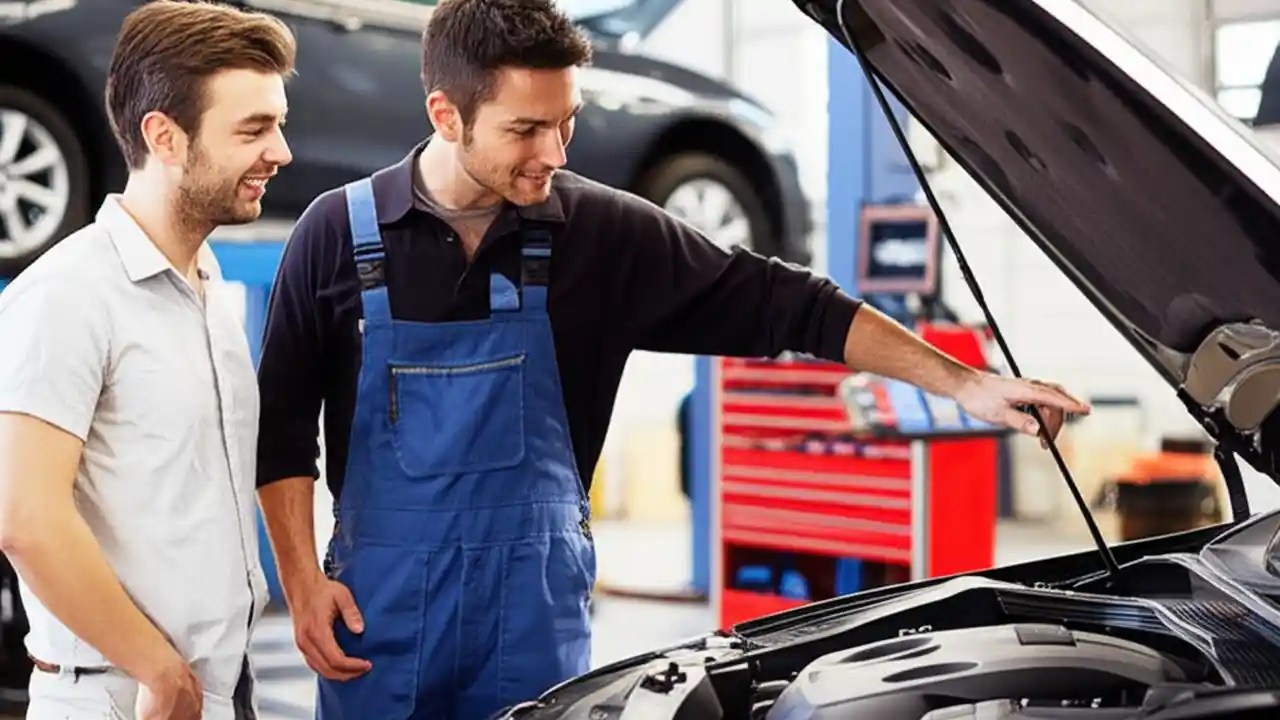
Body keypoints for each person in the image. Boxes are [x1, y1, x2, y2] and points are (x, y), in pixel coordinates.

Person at [253, 0, 1090, 718]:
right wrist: (299, 581)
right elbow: (283, 430)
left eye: (566, 121)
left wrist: (967, 383)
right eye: (525, 130)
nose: (556, 153)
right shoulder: (335, 235)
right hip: (381, 617)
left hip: (531, 618)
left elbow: (787, 302)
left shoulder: (599, 235)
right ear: (446, 115)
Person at [0, 2, 295, 718]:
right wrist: (157, 670)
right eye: (253, 129)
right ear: (164, 136)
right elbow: (24, 516)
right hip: (121, 693)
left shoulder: (205, 283)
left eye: (278, 124)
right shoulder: (70, 293)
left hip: (212, 687)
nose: (280, 151)